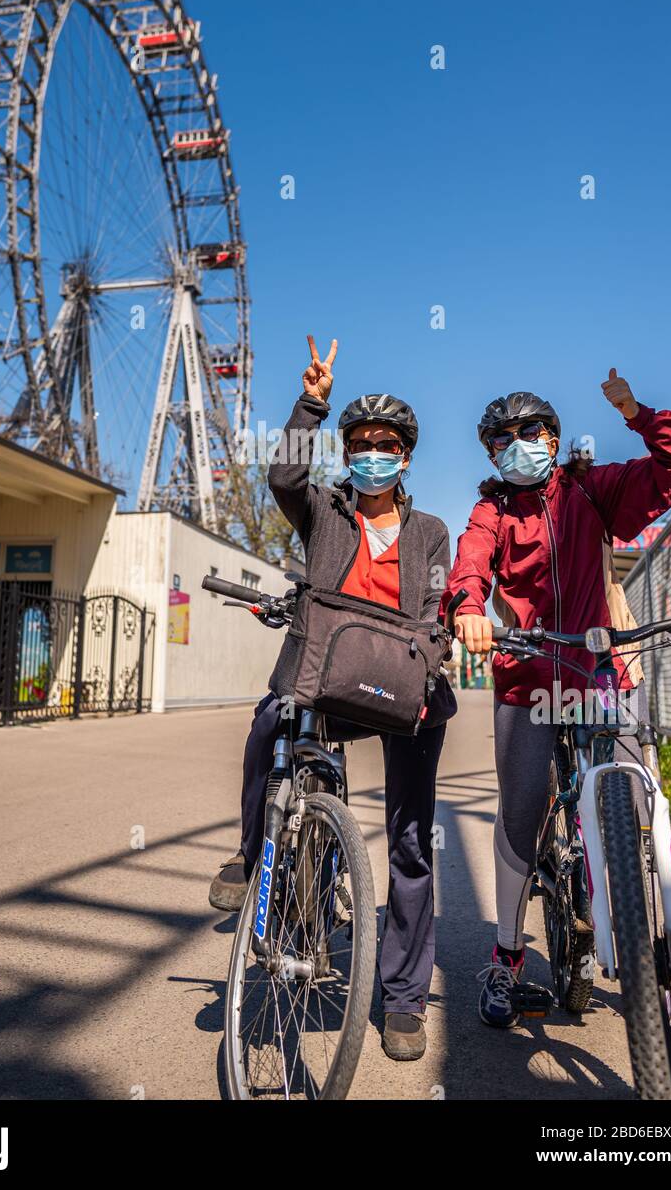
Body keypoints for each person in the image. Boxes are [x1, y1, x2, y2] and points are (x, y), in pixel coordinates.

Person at [209, 335, 456, 1060]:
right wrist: (311, 403)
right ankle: (252, 855)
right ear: (347, 452)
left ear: (406, 457)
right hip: (324, 672)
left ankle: (403, 999)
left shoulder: (431, 532)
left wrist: (444, 636)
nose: (371, 453)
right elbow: (284, 474)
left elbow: (439, 605)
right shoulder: (323, 512)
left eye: (386, 444)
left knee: (412, 843)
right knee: (268, 728)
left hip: (404, 683)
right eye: (360, 443)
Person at [439, 369, 671, 1028]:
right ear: (491, 453)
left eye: (531, 430)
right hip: (527, 680)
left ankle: (649, 923)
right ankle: (505, 958)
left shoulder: (590, 487)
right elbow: (469, 565)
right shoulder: (492, 510)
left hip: (592, 672)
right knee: (522, 813)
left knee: (637, 792)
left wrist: (637, 413)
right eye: (503, 437)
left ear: (554, 437)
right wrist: (468, 606)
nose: (518, 443)